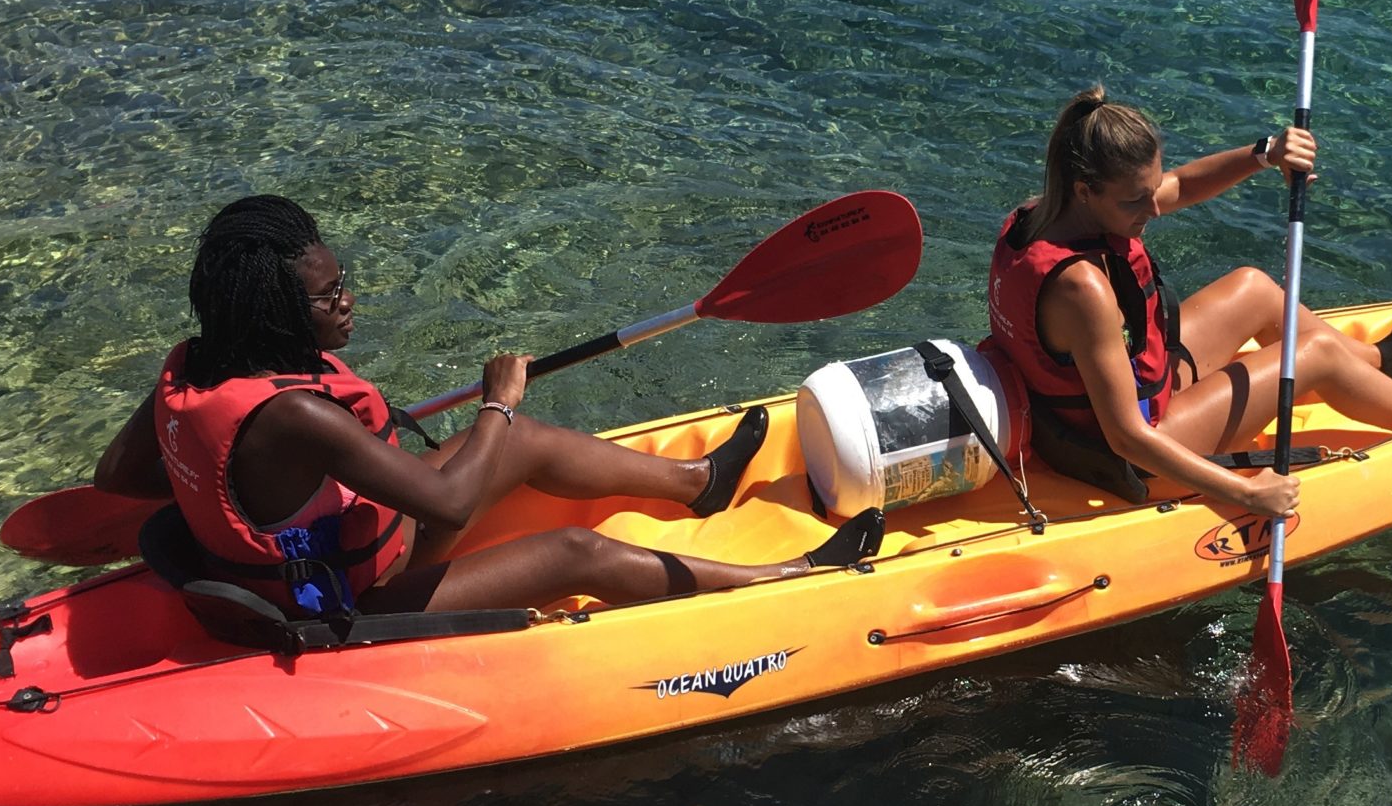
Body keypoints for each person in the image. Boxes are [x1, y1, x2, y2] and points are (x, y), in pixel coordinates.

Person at [94, 195, 880, 617]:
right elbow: (453, 501)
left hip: (337, 540)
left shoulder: (193, 369)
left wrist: (233, 495)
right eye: (329, 295)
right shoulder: (294, 418)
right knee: (573, 553)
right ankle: (780, 576)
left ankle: (698, 483)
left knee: (525, 441)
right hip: (350, 595)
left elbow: (120, 474)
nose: (348, 301)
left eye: (341, 280)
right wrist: (497, 402)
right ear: (272, 313)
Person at [987, 87, 1392, 520]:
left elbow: (1182, 185)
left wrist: (1266, 153)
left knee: (1254, 287)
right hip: (1133, 445)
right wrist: (1247, 494)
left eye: (1150, 189)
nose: (1154, 207)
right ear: (1085, 190)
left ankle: (1379, 364)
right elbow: (1127, 437)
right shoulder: (1081, 288)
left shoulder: (1037, 214)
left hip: (1139, 386)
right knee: (1314, 356)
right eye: (1135, 201)